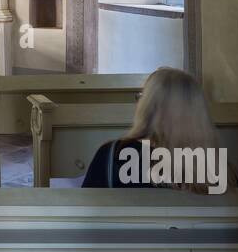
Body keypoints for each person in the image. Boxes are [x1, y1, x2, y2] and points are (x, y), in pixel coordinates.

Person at [81, 67, 224, 194]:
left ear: (147, 107)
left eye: (141, 98)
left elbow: (85, 214)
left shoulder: (112, 155)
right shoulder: (220, 168)